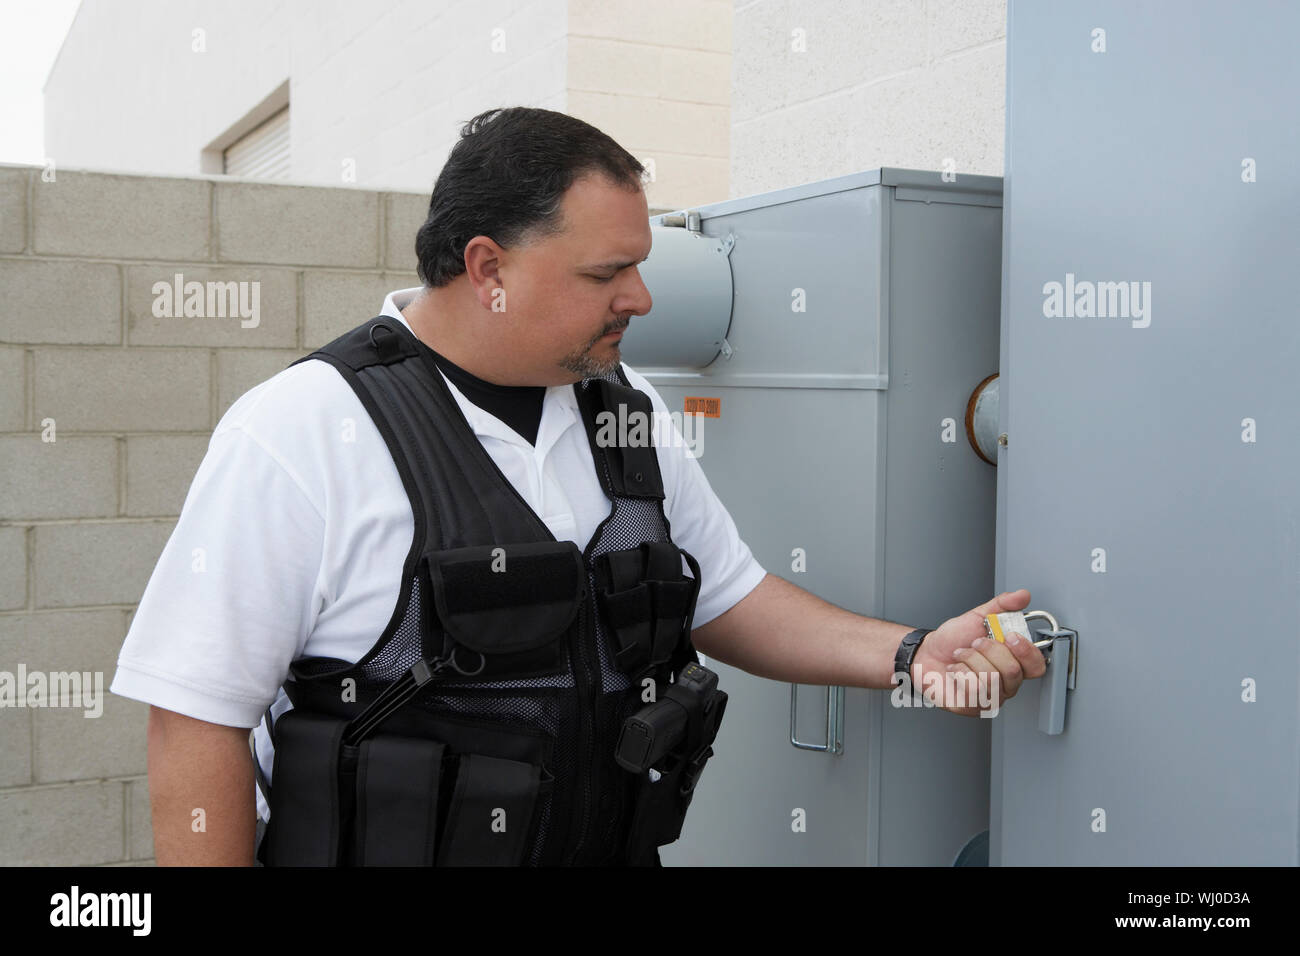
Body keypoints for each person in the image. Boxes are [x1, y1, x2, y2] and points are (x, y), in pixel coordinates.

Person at [111, 106, 1046, 866]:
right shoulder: (302, 431)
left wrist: (914, 652)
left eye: (640, 263)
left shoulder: (620, 407)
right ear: (489, 270)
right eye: (609, 271)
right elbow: (195, 720)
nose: (640, 296)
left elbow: (732, 598)